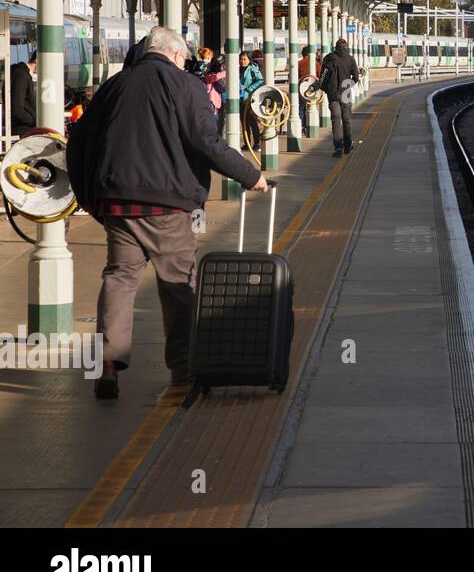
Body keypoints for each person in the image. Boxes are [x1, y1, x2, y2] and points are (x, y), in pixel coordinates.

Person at [67, 26, 267, 399]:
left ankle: (107, 364)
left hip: (118, 201)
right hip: (169, 204)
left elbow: (78, 142)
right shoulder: (186, 86)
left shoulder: (114, 86)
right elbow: (205, 141)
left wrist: (90, 199)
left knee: (119, 278)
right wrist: (250, 175)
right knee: (177, 284)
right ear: (176, 55)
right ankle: (183, 369)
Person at [319, 37, 360, 157]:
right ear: (346, 47)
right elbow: (356, 77)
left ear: (335, 47)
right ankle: (348, 145)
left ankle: (338, 148)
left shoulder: (329, 58)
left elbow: (322, 78)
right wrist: (347, 86)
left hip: (333, 95)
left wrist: (327, 90)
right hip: (345, 93)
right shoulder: (350, 59)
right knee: (346, 120)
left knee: (336, 120)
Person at [7, 53, 36, 134]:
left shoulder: (21, 74)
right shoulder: (21, 75)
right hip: (22, 130)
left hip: (23, 128)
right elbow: (17, 109)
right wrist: (35, 121)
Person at [297, 45, 312, 128]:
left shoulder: (299, 64)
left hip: (301, 88)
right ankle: (308, 125)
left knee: (301, 108)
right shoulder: (314, 63)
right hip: (312, 89)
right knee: (310, 106)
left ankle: (301, 126)